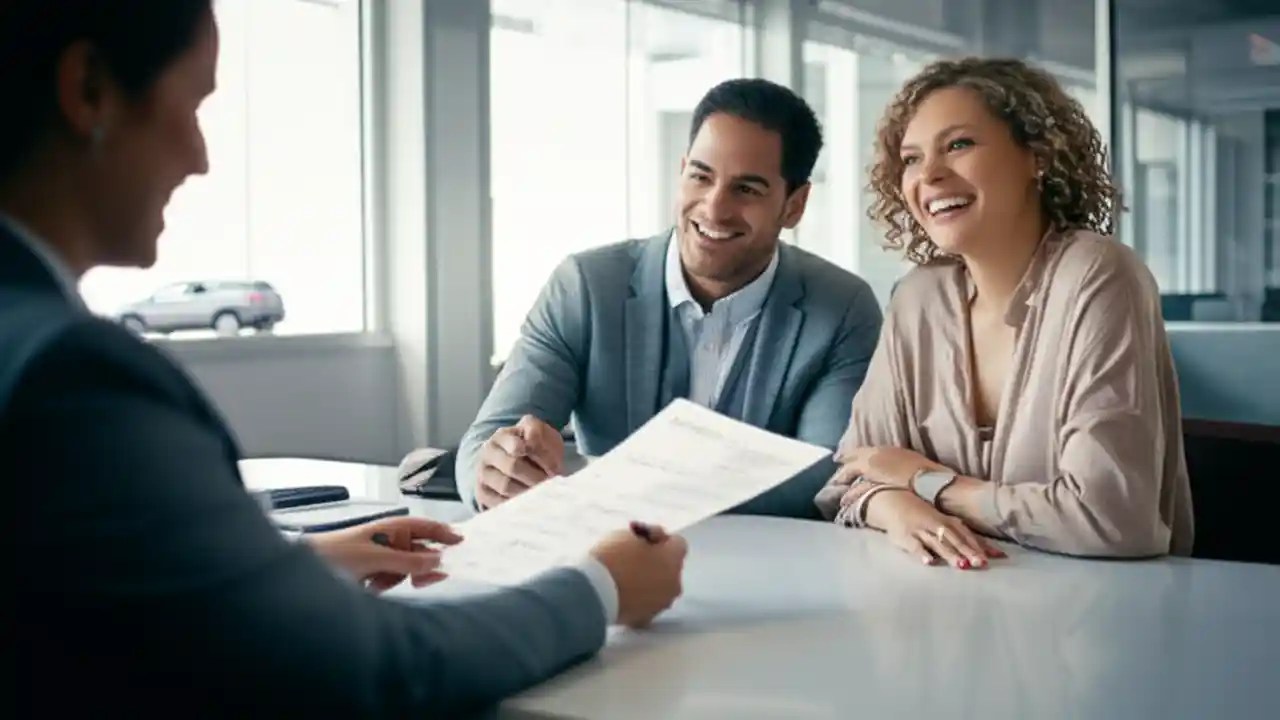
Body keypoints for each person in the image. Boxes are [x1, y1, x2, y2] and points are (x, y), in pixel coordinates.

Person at [2, 1, 686, 715]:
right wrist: (601, 585)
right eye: (193, 103)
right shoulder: (73, 379)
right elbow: (377, 665)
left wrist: (289, 566)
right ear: (87, 90)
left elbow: (70, 576)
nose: (200, 158)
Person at [814, 57, 1193, 565]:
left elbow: (1112, 519)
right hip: (946, 609)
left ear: (1037, 156)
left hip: (1102, 616)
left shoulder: (1098, 275)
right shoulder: (918, 300)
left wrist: (926, 483)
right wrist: (899, 508)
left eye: (959, 145)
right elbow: (854, 476)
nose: (929, 175)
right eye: (910, 158)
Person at [458, 78, 883, 518]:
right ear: (682, 171)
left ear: (794, 205)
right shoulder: (586, 286)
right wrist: (495, 471)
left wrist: (597, 479)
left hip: (764, 570)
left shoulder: (843, 309)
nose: (714, 208)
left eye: (747, 190)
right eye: (701, 176)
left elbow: (828, 475)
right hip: (607, 563)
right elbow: (482, 443)